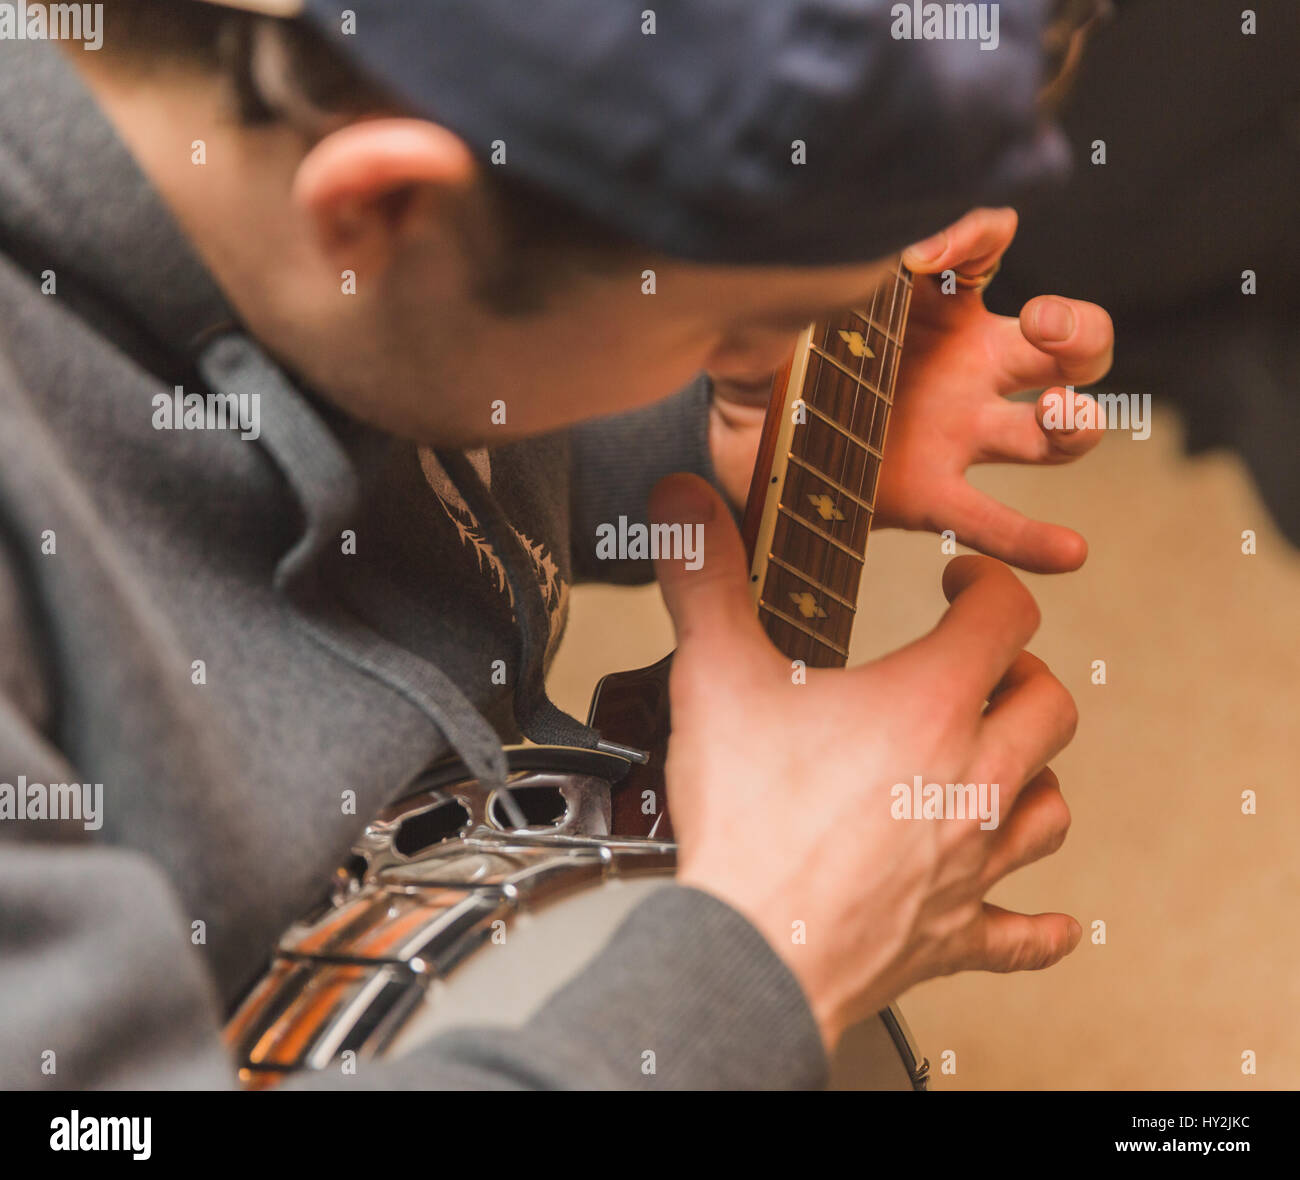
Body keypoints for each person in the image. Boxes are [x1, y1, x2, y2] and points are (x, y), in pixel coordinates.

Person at [0, 0, 1112, 1089]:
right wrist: (771, 954)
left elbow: (427, 389)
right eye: (727, 327)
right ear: (380, 213)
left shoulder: (301, 185)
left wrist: (706, 435)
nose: (778, 351)